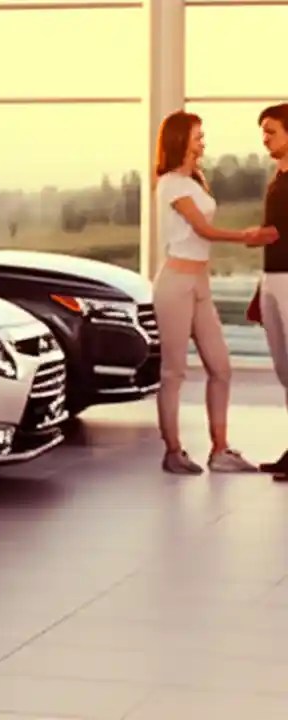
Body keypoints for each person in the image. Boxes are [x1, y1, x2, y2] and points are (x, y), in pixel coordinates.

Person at [150, 110, 276, 475]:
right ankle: (173, 451)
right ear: (180, 140)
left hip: (200, 283)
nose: (203, 140)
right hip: (175, 284)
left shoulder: (196, 180)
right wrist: (246, 236)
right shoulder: (171, 183)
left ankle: (220, 450)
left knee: (221, 367)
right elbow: (202, 229)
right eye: (197, 135)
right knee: (173, 372)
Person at [254, 103, 288, 480]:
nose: (265, 138)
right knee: (284, 369)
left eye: (271, 131)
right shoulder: (277, 178)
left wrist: (246, 236)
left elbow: (276, 231)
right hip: (273, 278)